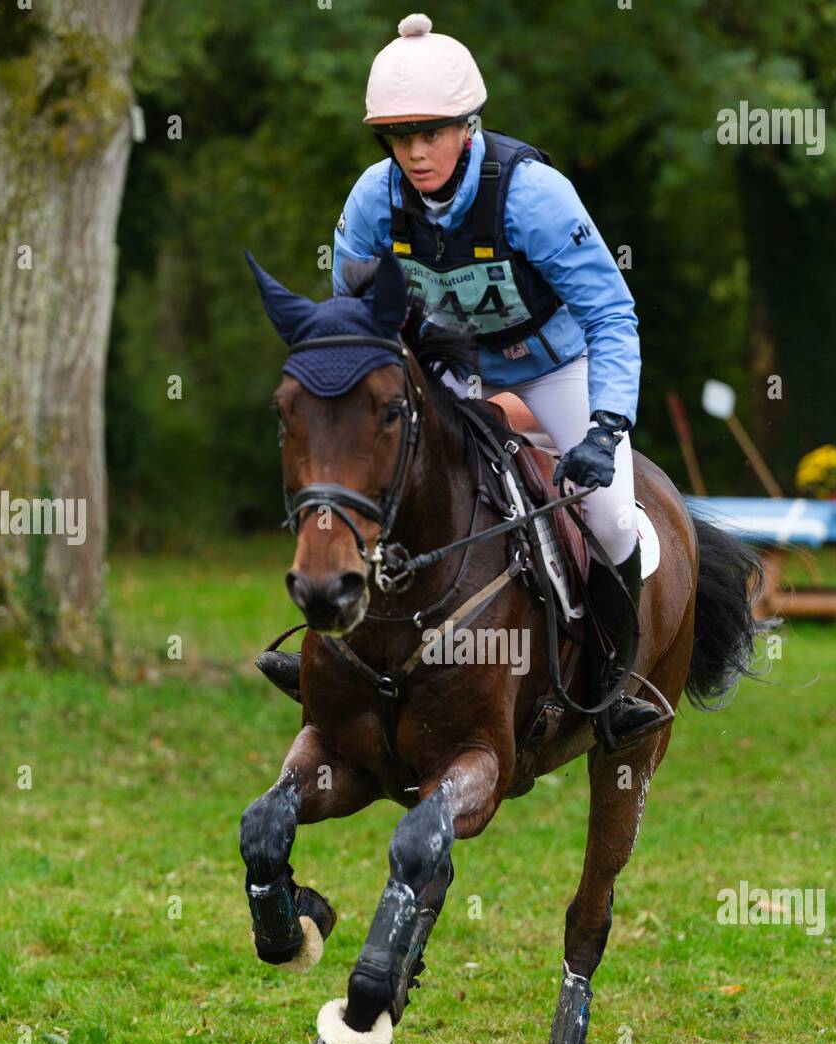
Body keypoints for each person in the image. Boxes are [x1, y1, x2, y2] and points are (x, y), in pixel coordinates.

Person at [275, 13, 662, 748]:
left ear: (468, 125)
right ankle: (333, 656)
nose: (415, 152)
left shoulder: (533, 196)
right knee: (364, 483)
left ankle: (615, 682)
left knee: (609, 518)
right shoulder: (372, 201)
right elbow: (353, 324)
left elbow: (611, 314)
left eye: (432, 132)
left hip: (554, 368)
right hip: (449, 371)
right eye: (399, 136)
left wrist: (606, 426)